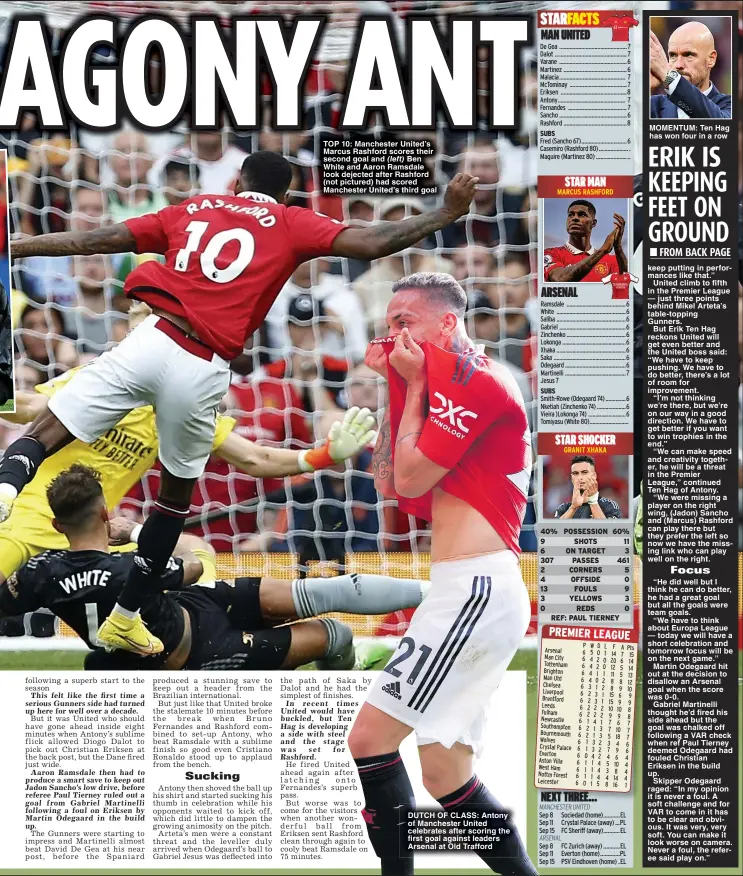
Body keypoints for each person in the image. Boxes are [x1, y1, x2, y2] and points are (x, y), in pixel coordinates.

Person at [1, 153, 478, 656]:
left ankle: (7, 490)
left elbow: (100, 239)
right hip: (202, 364)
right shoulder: (291, 221)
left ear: (235, 183)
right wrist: (444, 214)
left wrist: (16, 245)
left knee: (44, 431)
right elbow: (373, 241)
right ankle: (126, 617)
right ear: (288, 195)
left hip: (154, 338)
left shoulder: (194, 207)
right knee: (172, 502)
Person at [347, 272, 536, 876]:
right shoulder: (442, 381)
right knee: (444, 771)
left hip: (477, 588)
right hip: (471, 587)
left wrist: (413, 386)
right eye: (389, 321)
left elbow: (408, 480)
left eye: (407, 321)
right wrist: (396, 392)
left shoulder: (476, 380)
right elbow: (390, 486)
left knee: (370, 740)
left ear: (447, 323)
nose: (393, 331)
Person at [0, 306, 376, 586]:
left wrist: (324, 455)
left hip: (94, 540)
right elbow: (31, 407)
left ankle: (207, 627)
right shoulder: (98, 381)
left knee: (195, 551)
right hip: (23, 524)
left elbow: (254, 457)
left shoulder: (180, 404)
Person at [0, 465, 430, 671]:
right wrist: (134, 533)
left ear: (56, 524)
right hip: (203, 651)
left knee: (318, 605)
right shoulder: (136, 565)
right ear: (105, 512)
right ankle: (422, 605)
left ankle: (431, 597)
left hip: (190, 608)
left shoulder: (40, 571)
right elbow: (198, 558)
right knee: (333, 623)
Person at [650, 21, 732, 119]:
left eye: (688, 55)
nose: (678, 65)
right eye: (673, 55)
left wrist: (668, 76)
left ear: (711, 59)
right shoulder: (654, 105)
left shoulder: (729, 106)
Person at [544, 199, 626, 283]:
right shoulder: (552, 253)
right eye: (570, 215)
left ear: (593, 223)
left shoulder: (610, 260)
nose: (574, 218)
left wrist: (618, 247)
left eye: (582, 215)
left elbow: (624, 283)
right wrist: (602, 250)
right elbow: (560, 279)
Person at [554, 455, 622, 520]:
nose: (580, 477)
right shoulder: (563, 508)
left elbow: (610, 530)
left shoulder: (609, 505)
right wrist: (573, 507)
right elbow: (556, 530)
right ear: (572, 478)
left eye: (584, 472)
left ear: (594, 476)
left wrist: (592, 501)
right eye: (575, 473)